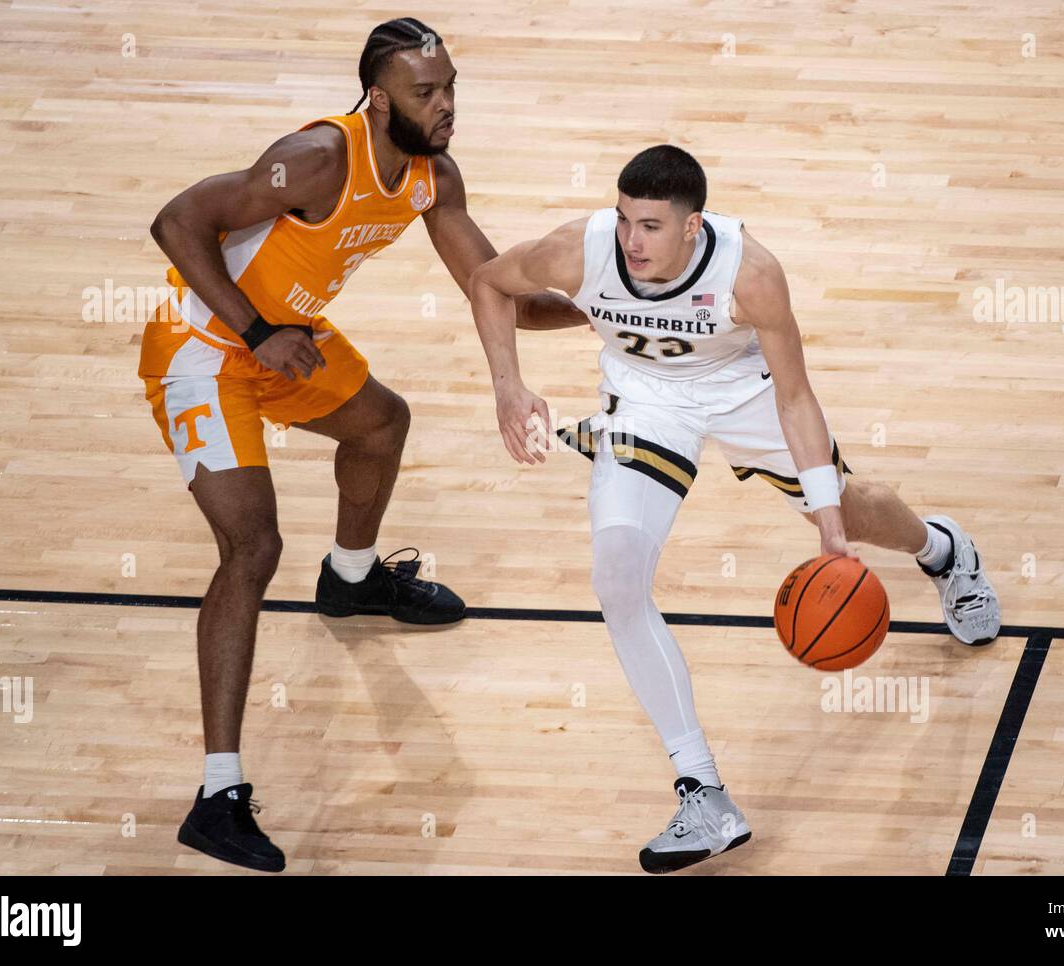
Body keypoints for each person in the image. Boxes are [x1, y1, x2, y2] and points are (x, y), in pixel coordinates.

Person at [468, 144, 1001, 873]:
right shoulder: (579, 248)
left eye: (652, 226)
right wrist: (508, 385)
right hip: (646, 402)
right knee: (617, 580)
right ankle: (703, 794)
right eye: (625, 219)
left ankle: (943, 550)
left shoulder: (750, 275)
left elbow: (794, 396)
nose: (632, 240)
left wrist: (833, 529)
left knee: (849, 505)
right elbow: (486, 282)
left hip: (743, 393)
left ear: (694, 228)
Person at [138, 17, 584, 872]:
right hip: (205, 347)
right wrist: (258, 328)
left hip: (286, 336)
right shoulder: (314, 160)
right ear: (378, 100)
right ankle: (217, 797)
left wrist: (613, 311)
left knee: (382, 423)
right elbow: (175, 221)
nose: (447, 104)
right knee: (252, 549)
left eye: (452, 86)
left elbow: (503, 295)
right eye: (428, 92)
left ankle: (352, 581)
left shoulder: (431, 176)